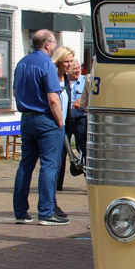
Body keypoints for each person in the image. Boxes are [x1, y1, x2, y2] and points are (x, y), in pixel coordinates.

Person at [12, 30, 68, 226]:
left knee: (25, 165)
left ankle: (20, 212)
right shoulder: (47, 65)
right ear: (47, 44)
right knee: (49, 166)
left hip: (26, 118)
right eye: (54, 42)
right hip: (46, 120)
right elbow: (53, 99)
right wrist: (60, 122)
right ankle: (46, 212)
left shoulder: (21, 63)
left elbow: (15, 91)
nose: (55, 46)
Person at [52, 47, 75, 197]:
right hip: (54, 125)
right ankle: (50, 193)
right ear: (59, 61)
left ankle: (55, 189)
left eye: (71, 61)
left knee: (61, 159)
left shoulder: (65, 78)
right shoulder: (52, 77)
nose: (69, 65)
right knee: (53, 162)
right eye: (66, 61)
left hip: (63, 125)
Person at [66, 59, 87, 177]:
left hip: (80, 120)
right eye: (74, 69)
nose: (77, 71)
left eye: (79, 68)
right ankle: (57, 184)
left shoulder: (85, 81)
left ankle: (88, 177)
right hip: (66, 119)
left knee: (85, 149)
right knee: (61, 152)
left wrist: (81, 101)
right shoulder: (63, 81)